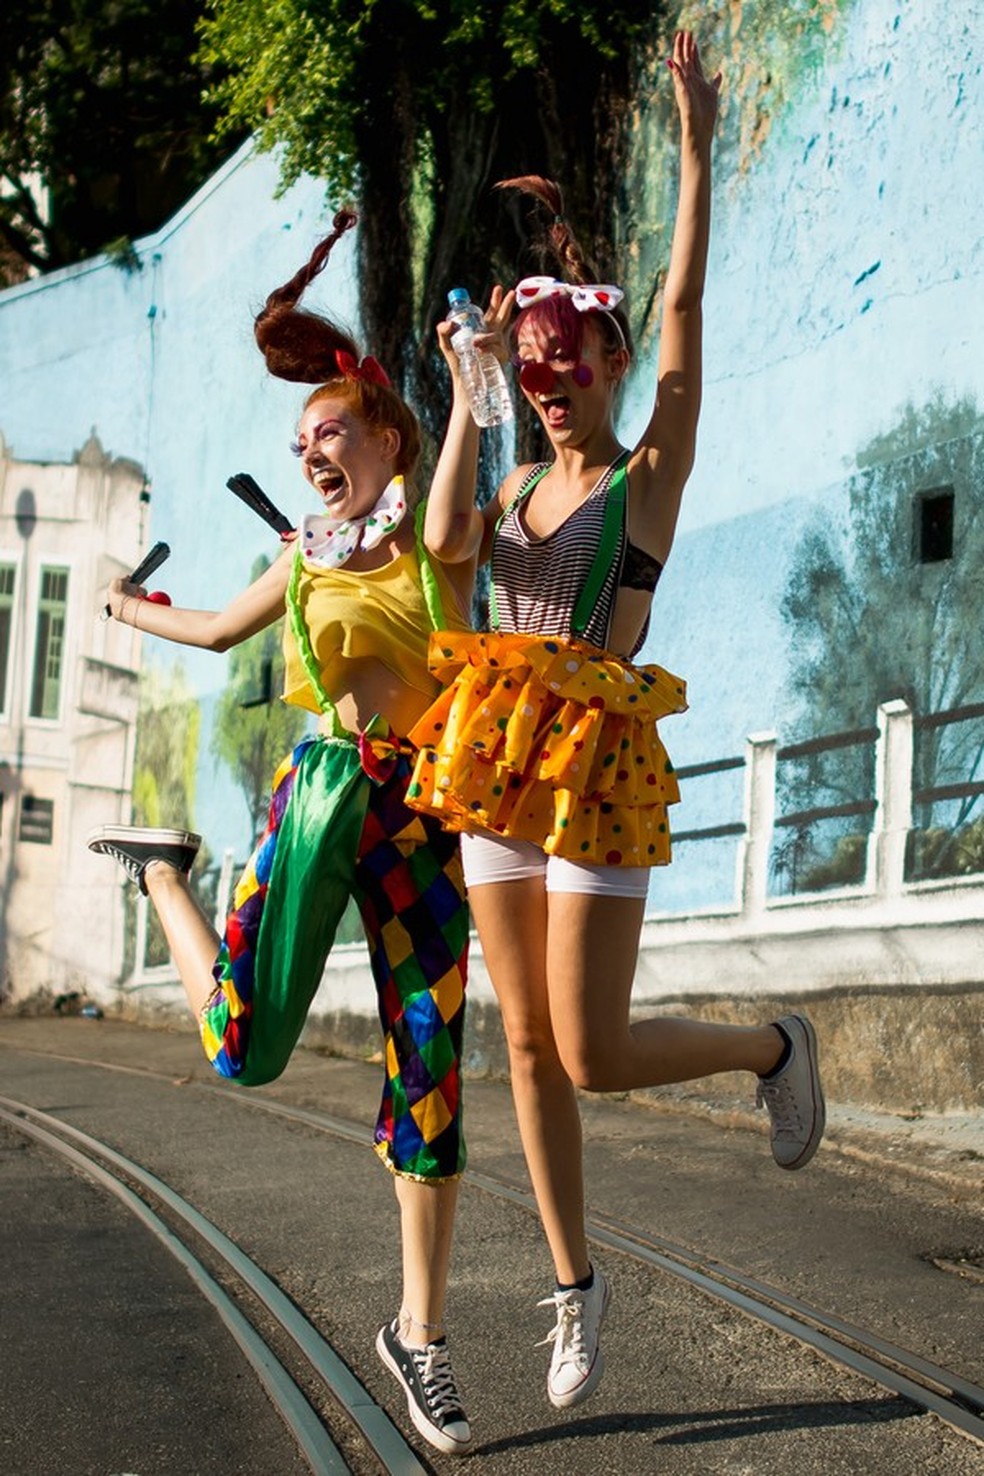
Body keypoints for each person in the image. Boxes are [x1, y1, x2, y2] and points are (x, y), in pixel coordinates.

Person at [405, 31, 825, 1412]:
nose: (544, 379)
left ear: (607, 358)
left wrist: (696, 151)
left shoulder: (644, 477)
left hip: (596, 761)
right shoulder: (510, 485)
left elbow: (687, 317)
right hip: (496, 758)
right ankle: (575, 1287)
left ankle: (773, 1049)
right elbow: (441, 543)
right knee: (523, 1048)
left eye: (560, 360)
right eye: (528, 365)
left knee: (590, 1051)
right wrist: (466, 394)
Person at [87, 212, 478, 1457]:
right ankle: (164, 877)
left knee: (430, 1071)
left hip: (420, 816)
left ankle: (420, 1337)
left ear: (387, 437)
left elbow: (452, 512)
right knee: (241, 1050)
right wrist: (126, 608)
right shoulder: (307, 558)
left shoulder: (429, 528)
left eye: (331, 434)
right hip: (320, 794)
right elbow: (213, 630)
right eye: (299, 442)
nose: (311, 453)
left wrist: (466, 389)